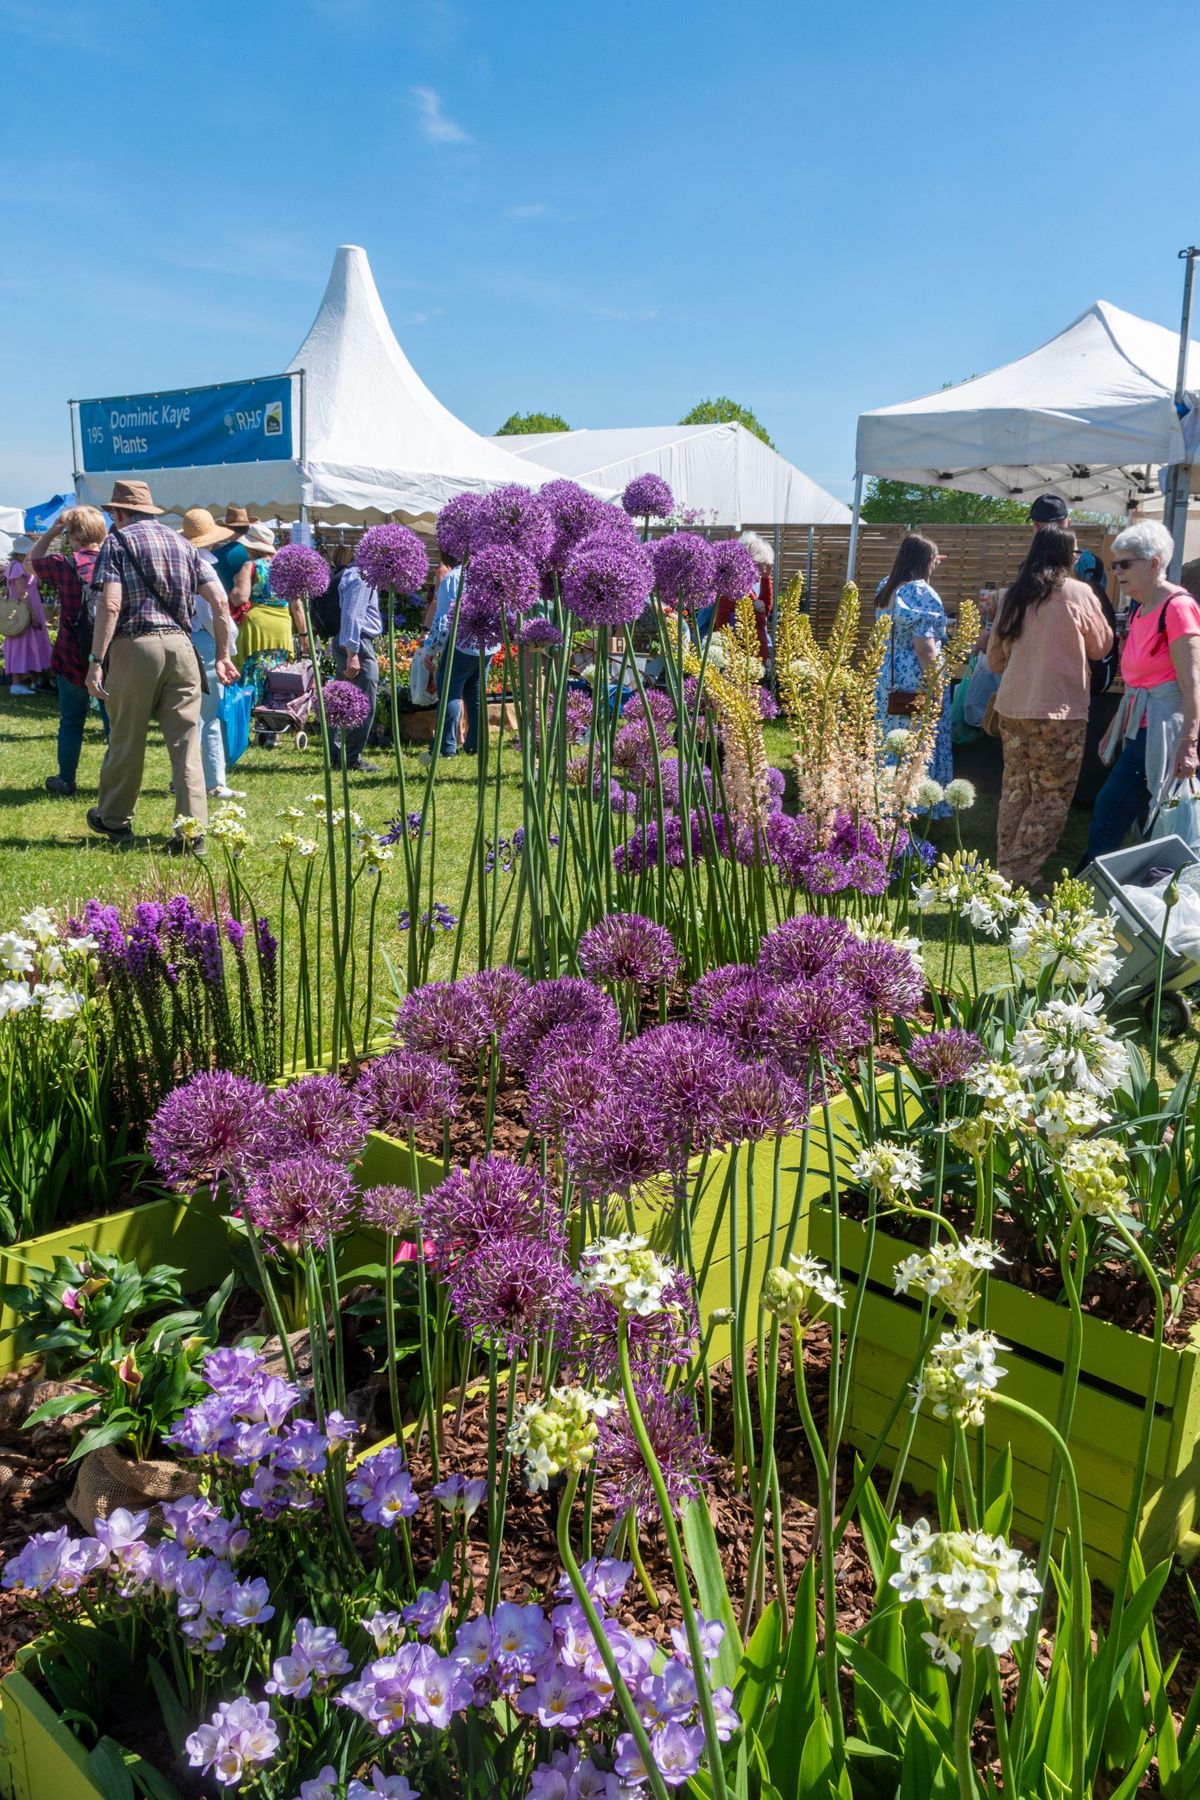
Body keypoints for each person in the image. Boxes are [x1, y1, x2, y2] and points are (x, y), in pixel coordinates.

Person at [85, 479, 237, 852]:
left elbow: (110, 605)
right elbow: (219, 603)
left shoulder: (116, 543)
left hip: (134, 646)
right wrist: (223, 654)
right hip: (183, 648)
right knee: (186, 743)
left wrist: (95, 660)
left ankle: (115, 821)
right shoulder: (183, 544)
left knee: (126, 738)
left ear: (117, 513)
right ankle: (191, 834)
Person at [986, 528, 1112, 890]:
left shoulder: (1013, 596)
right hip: (1060, 712)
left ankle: (1006, 868)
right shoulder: (1079, 593)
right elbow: (1101, 648)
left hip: (1013, 708)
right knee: (1050, 796)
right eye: (1075, 552)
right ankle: (1017, 875)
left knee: (1015, 790)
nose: (1077, 557)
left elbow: (995, 659)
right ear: (1066, 556)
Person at [1082, 520, 1200, 865]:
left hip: (1162, 730)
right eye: (1115, 563)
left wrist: (1189, 744)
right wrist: (1115, 724)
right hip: (1142, 724)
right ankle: (1106, 886)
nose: (1117, 570)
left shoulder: (1177, 607)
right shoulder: (1143, 609)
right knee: (1132, 813)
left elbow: (1193, 682)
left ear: (1154, 563)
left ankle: (1087, 889)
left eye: (1125, 563)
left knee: (1112, 806)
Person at [27, 506, 110, 795]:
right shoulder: (116, 562)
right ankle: (115, 785)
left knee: (71, 720)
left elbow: (31, 562)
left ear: (72, 534)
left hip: (71, 653)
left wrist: (52, 530)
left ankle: (66, 779)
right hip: (110, 653)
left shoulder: (65, 563)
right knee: (114, 724)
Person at [874, 533, 952, 810]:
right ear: (926, 561)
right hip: (916, 678)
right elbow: (925, 648)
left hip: (888, 677)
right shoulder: (920, 591)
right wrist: (937, 688)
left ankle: (884, 800)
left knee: (890, 737)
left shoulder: (886, 587)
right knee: (918, 739)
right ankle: (912, 808)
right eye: (935, 561)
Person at [179, 509, 243, 801]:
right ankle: (215, 781)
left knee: (184, 716)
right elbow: (214, 612)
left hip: (181, 641)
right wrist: (227, 649)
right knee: (209, 715)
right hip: (203, 644)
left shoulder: (177, 563)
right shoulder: (204, 568)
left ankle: (181, 777)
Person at [235, 522, 299, 705]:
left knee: (253, 670)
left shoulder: (250, 565)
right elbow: (297, 605)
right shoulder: (287, 567)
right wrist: (303, 635)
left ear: (250, 547)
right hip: (282, 628)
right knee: (278, 671)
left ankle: (252, 708)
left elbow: (240, 597)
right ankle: (274, 712)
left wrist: (231, 594)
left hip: (257, 628)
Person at [333, 555, 381, 772]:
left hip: (348, 639)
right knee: (364, 700)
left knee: (343, 698)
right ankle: (351, 758)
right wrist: (353, 653)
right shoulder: (363, 577)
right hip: (357, 641)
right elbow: (352, 615)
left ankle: (338, 754)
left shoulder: (353, 573)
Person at [3, 535, 53, 694]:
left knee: (28, 645)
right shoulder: (18, 567)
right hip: (24, 612)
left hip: (20, 612)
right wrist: (33, 615)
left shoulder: (15, 566)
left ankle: (32, 681)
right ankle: (17, 683)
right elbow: (22, 593)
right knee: (23, 645)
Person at [211, 505, 255, 623]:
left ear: (227, 529)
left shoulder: (217, 555)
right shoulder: (256, 552)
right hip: (257, 610)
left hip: (232, 612)